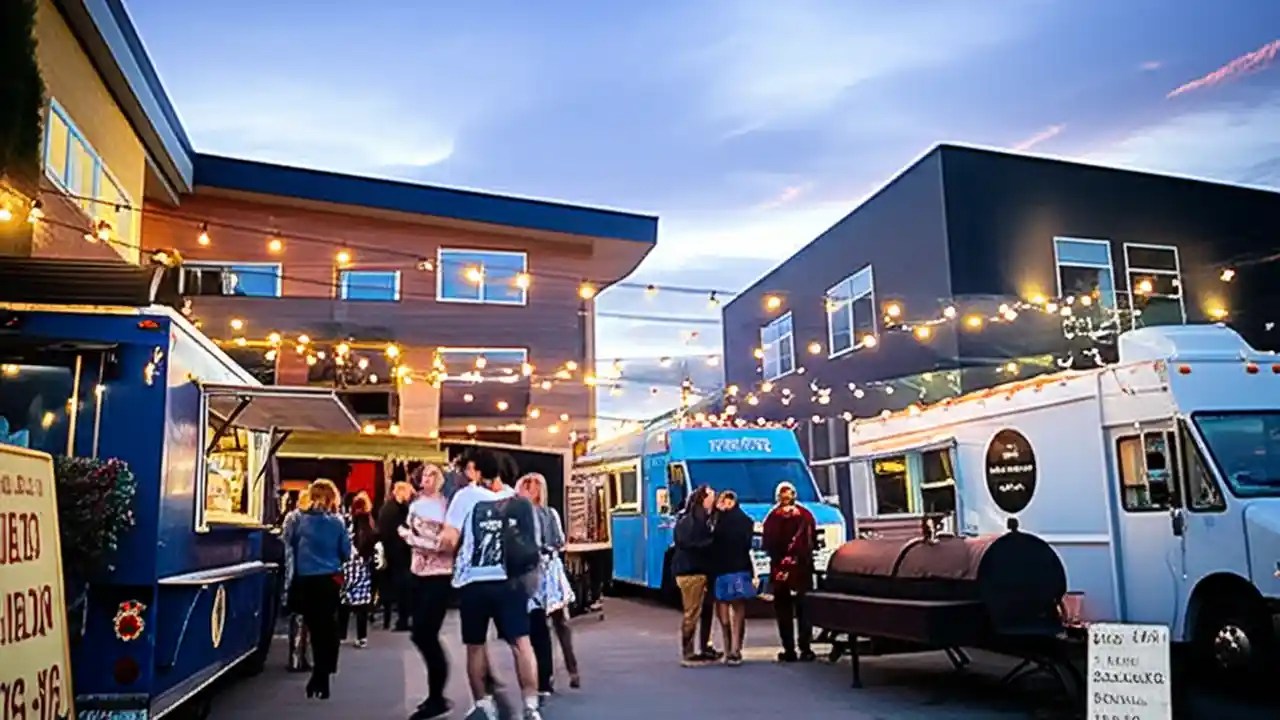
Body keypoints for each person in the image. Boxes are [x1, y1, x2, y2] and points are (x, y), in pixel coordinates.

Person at [436, 448, 543, 720]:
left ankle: (484, 706)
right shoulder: (517, 500)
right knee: (521, 642)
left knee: (476, 645)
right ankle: (531, 705)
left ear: (476, 470)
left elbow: (449, 539)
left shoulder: (465, 497)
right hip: (511, 581)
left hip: (475, 581)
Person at [282, 479, 351, 700]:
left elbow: (287, 546)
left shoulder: (297, 520)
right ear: (333, 499)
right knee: (328, 630)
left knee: (313, 627)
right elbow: (346, 553)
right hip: (329, 581)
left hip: (304, 580)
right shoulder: (337, 523)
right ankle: (322, 675)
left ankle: (316, 674)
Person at [398, 464, 455, 720]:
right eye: (424, 474)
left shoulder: (447, 507)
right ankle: (435, 696)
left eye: (433, 474)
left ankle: (437, 697)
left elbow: (443, 545)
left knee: (425, 633)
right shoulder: (416, 505)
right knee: (420, 634)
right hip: (418, 574)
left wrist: (410, 538)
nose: (427, 478)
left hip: (439, 576)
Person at [518, 472, 580, 693]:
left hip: (549, 571)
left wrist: (549, 548)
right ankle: (545, 673)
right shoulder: (520, 513)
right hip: (532, 571)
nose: (531, 490)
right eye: (528, 485)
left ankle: (572, 668)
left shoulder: (549, 513)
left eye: (535, 486)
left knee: (561, 622)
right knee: (538, 625)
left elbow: (559, 541)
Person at [762, 481, 818, 663]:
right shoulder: (806, 516)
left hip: (781, 571)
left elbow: (768, 544)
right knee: (804, 609)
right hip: (802, 570)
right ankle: (806, 647)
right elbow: (812, 542)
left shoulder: (772, 518)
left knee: (784, 611)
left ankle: (789, 649)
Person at [672, 484, 717, 666]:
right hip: (692, 571)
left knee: (705, 610)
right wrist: (711, 542)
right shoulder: (696, 521)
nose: (713, 499)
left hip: (693, 570)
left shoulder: (690, 518)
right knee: (692, 611)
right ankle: (688, 650)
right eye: (711, 496)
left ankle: (703, 647)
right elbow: (689, 543)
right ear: (703, 498)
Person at [709, 490, 755, 666]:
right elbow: (748, 544)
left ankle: (728, 647)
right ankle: (737, 648)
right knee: (739, 608)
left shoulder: (717, 521)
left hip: (721, 569)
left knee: (722, 607)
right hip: (741, 568)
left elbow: (711, 542)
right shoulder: (746, 521)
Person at [339, 492, 377, 648]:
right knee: (361, 604)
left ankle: (341, 634)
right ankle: (362, 637)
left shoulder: (347, 523)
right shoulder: (369, 524)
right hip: (363, 566)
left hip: (348, 565)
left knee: (344, 601)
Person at [377, 481, 415, 630]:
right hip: (398, 553)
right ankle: (403, 619)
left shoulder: (389, 508)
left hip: (394, 553)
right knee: (403, 586)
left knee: (402, 587)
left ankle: (403, 618)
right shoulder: (394, 510)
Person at [281, 488, 312, 673]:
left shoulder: (292, 518)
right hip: (309, 572)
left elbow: (286, 544)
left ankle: (295, 657)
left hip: (297, 572)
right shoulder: (313, 520)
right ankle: (301, 657)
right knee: (306, 617)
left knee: (298, 616)